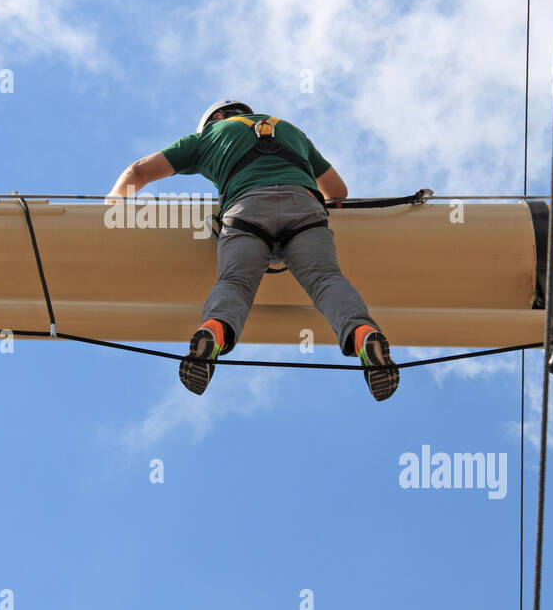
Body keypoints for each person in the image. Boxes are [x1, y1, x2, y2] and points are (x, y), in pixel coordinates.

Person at [106, 99, 398, 402]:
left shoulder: (209, 136)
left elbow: (139, 171)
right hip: (304, 207)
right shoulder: (291, 131)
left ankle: (213, 332)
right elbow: (338, 192)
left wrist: (115, 199)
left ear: (218, 117)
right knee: (326, 279)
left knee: (235, 283)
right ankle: (364, 335)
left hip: (246, 209)